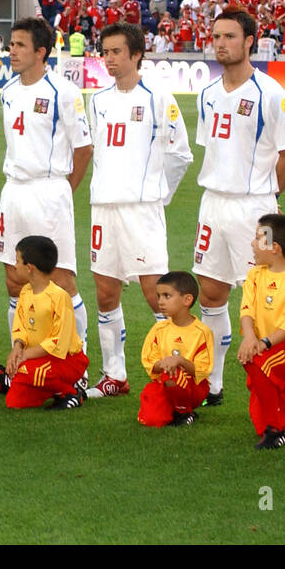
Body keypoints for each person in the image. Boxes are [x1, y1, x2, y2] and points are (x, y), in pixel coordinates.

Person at [193, 7, 285, 406]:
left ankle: (280, 391)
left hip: (253, 207)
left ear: (250, 41)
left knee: (265, 296)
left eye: (230, 37)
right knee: (211, 291)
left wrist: (268, 202)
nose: (221, 43)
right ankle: (215, 383)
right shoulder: (207, 95)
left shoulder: (271, 94)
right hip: (212, 203)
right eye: (217, 36)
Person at [86, 22, 192, 397]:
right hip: (104, 208)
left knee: (156, 294)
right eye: (106, 52)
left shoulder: (157, 98)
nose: (110, 59)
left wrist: (157, 195)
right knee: (105, 292)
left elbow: (181, 154)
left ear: (136, 55)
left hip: (142, 210)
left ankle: (176, 369)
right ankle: (114, 374)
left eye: (117, 52)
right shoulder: (97, 101)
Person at [0, 18, 93, 370]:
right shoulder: (8, 91)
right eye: (11, 44)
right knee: (13, 280)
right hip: (14, 192)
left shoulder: (63, 92)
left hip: (49, 191)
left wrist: (63, 192)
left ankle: (76, 363)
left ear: (41, 52)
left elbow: (84, 149)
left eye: (20, 45)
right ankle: (20, 362)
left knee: (61, 280)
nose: (13, 51)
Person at [236, 214, 285, 449]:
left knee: (257, 362)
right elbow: (246, 310)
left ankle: (276, 430)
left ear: (275, 248)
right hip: (264, 348)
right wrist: (250, 337)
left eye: (258, 238)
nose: (252, 242)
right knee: (261, 425)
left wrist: (264, 344)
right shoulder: (255, 275)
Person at [4, 236, 89, 409]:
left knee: (25, 371)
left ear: (29, 268)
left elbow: (59, 343)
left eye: (17, 261)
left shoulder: (59, 297)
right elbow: (20, 328)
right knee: (14, 402)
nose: (14, 266)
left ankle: (71, 392)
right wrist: (17, 347)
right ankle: (53, 391)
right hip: (38, 359)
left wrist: (24, 356)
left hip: (67, 360)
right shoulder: (25, 293)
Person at [137, 271, 213, 428]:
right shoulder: (159, 329)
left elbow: (202, 370)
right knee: (151, 420)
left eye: (167, 296)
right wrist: (164, 363)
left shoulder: (202, 332)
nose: (161, 302)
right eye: (159, 296)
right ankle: (172, 408)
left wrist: (179, 361)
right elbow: (150, 363)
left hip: (194, 387)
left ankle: (184, 412)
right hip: (164, 383)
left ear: (187, 299)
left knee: (174, 373)